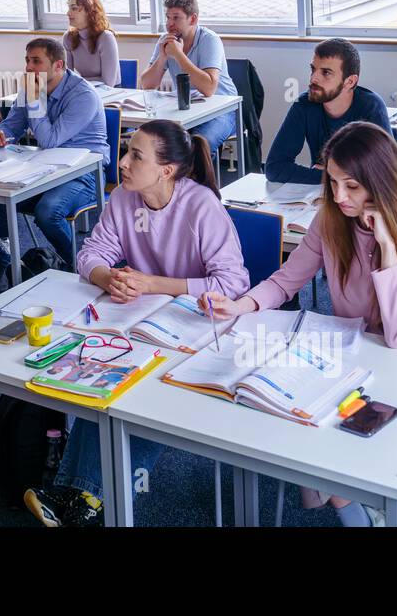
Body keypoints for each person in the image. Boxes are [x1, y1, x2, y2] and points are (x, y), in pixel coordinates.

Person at [207, 121, 397, 526]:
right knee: (281, 405)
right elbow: (287, 280)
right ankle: (352, 504)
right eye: (333, 182)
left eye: (352, 186)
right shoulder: (331, 219)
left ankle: (357, 505)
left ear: (382, 183)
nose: (339, 196)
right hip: (351, 358)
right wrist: (242, 305)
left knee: (323, 436)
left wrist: (389, 250)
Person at [23, 121, 250, 527]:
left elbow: (233, 284)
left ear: (166, 171)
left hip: (200, 331)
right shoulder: (123, 200)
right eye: (125, 151)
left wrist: (154, 284)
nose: (122, 162)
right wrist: (106, 277)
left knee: (136, 386)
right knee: (103, 379)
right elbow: (90, 253)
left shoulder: (201, 207)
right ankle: (83, 497)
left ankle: (85, 494)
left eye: (135, 156)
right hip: (139, 325)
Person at [0, 38, 110, 287]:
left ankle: (79, 265)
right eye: (27, 60)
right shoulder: (32, 87)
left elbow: (49, 139)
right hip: (44, 168)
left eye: (36, 61)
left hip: (85, 172)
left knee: (48, 212)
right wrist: (1, 135)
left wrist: (34, 98)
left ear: (58, 65)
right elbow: (12, 125)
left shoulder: (83, 95)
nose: (29, 68)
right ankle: (6, 265)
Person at [266, 38, 392, 184]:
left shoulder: (371, 106)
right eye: (313, 69)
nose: (314, 78)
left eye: (326, 73)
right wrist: (327, 178)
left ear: (350, 82)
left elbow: (383, 172)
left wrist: (328, 176)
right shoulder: (304, 104)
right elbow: (274, 168)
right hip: (321, 196)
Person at [138, 0, 238, 155]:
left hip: (221, 110)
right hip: (187, 109)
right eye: (167, 17)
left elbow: (209, 89)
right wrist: (163, 57)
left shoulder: (209, 39)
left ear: (193, 19)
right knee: (155, 142)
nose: (169, 24)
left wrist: (178, 55)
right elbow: (147, 85)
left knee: (199, 144)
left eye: (176, 18)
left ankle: (198, 181)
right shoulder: (166, 40)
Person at [62, 0, 119, 87]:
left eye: (74, 8)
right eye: (69, 8)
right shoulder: (68, 37)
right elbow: (68, 77)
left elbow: (109, 83)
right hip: (84, 89)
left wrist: (78, 82)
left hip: (109, 92)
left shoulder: (106, 37)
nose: (68, 13)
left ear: (90, 12)